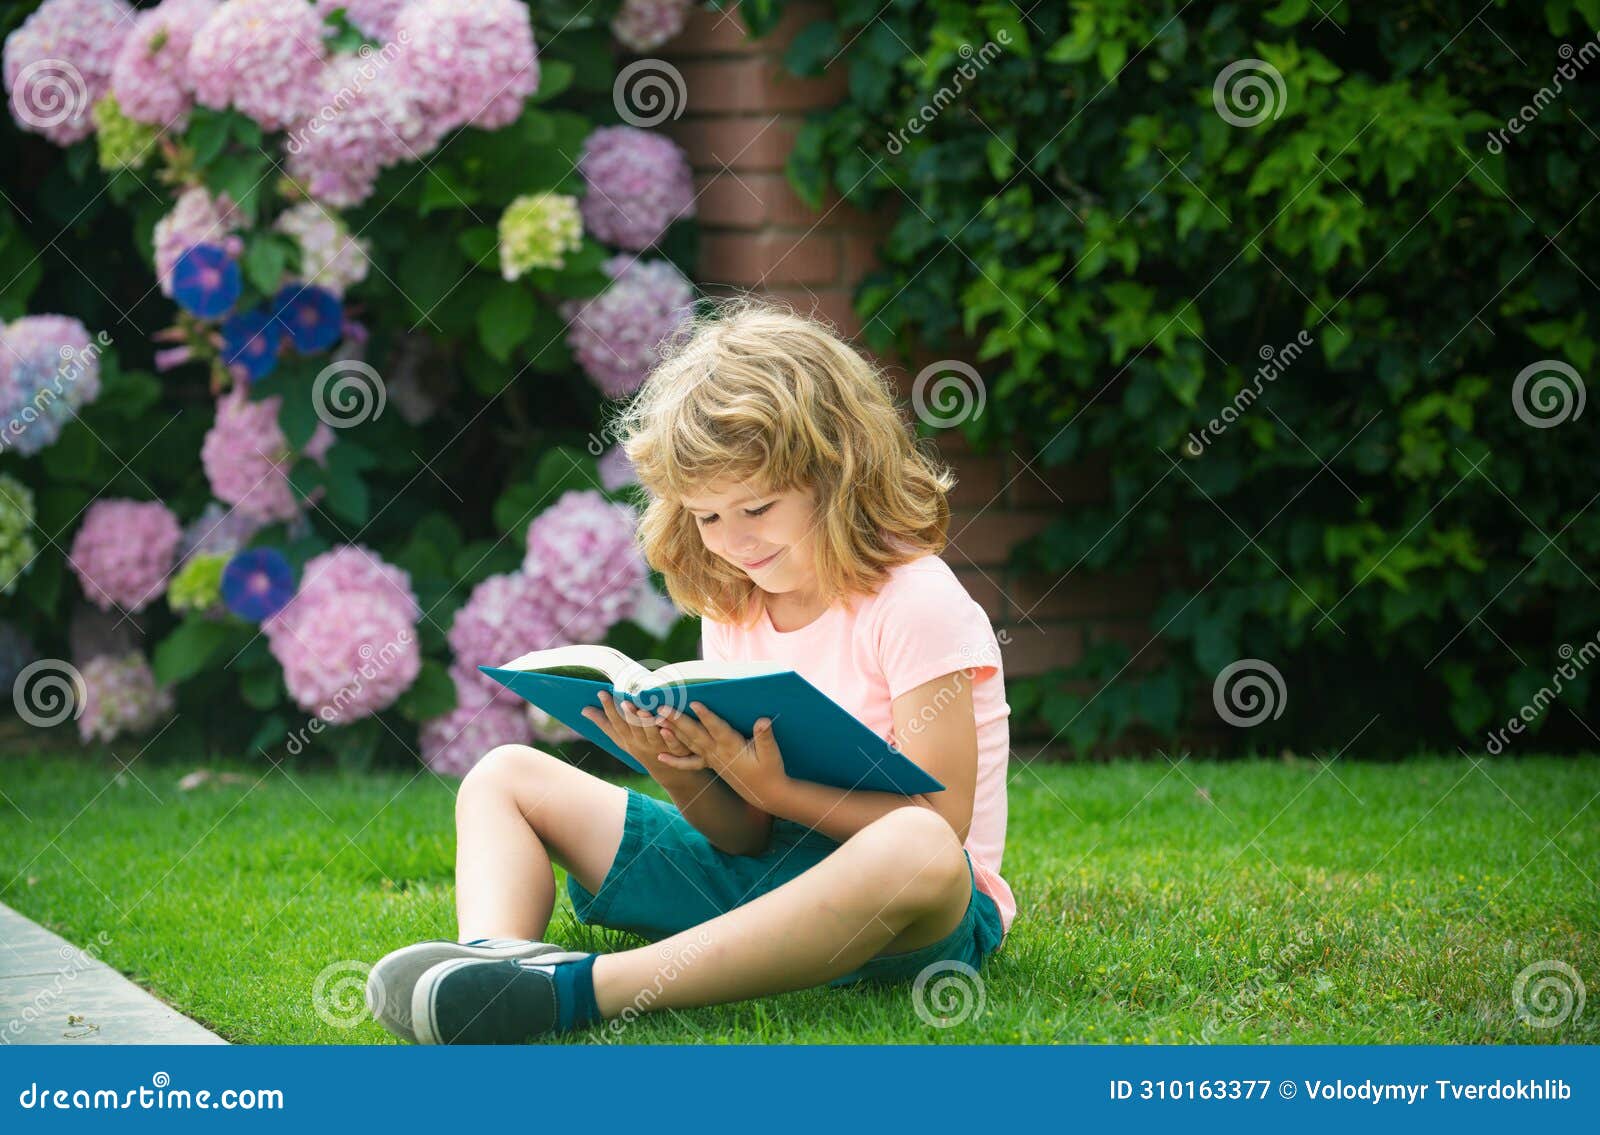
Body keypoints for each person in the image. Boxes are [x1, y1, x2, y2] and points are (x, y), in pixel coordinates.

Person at [368, 298, 1015, 1044]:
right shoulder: (736, 603)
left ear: (838, 472)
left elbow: (942, 825)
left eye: (757, 507)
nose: (733, 541)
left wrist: (779, 788)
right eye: (707, 517)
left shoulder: (915, 599)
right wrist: (678, 767)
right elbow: (741, 837)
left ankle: (578, 993)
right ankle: (490, 970)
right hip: (758, 883)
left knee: (920, 847)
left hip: (902, 915)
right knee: (504, 775)